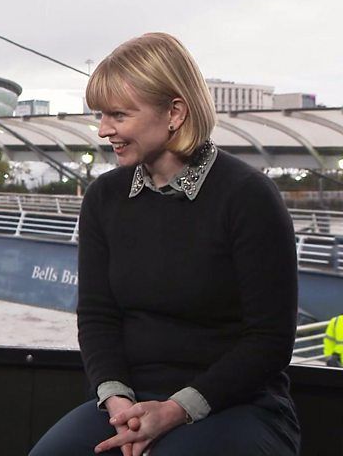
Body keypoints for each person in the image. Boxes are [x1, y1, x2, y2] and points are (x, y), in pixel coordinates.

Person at [30, 33, 300, 456]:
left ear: (175, 112)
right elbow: (98, 318)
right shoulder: (104, 198)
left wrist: (175, 410)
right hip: (130, 403)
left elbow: (268, 341)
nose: (103, 131)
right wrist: (120, 404)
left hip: (240, 406)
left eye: (118, 114)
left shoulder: (248, 197)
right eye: (101, 115)